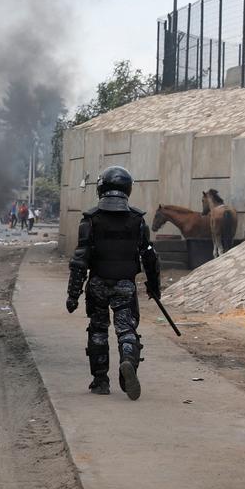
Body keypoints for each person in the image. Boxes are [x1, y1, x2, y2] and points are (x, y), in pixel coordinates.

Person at [66, 165, 161, 400]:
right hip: (124, 285)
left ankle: (100, 381)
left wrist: (73, 294)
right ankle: (128, 360)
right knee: (126, 329)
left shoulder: (90, 220)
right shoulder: (138, 220)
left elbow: (80, 260)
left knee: (98, 330)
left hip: (98, 283)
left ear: (102, 188)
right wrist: (154, 287)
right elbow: (150, 256)